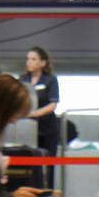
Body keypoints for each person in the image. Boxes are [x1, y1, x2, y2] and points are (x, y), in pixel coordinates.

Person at [22, 47, 60, 188]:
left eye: (33, 59)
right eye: (28, 59)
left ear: (43, 63)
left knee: (47, 162)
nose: (29, 62)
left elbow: (52, 104)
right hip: (27, 129)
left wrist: (34, 114)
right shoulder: (23, 79)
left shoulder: (50, 80)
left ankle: (46, 191)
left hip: (47, 129)